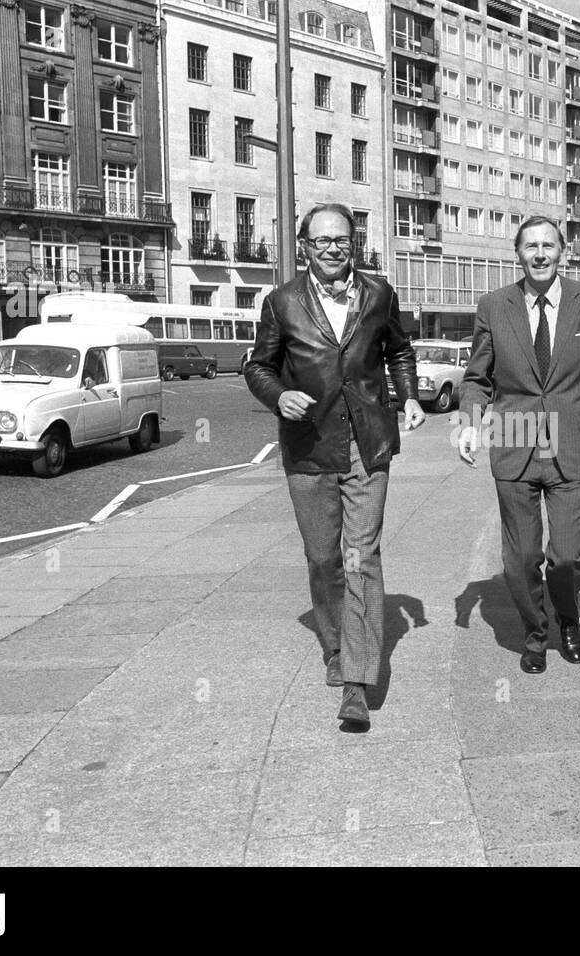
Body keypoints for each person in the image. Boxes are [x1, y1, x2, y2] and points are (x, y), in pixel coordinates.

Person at [244, 203, 425, 728]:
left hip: (368, 445)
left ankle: (357, 680)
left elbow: (400, 350)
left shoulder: (379, 294)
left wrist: (408, 396)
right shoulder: (281, 302)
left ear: (354, 244)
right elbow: (258, 365)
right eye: (321, 240)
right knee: (324, 559)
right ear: (304, 245)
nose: (332, 248)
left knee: (359, 556)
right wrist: (279, 397)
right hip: (309, 449)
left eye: (341, 240)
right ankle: (333, 644)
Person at [457, 216, 580, 674]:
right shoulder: (494, 305)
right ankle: (534, 633)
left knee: (566, 555)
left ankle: (568, 616)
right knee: (520, 558)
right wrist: (471, 422)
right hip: (515, 443)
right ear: (518, 253)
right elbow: (477, 377)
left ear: (562, 251)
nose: (540, 254)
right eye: (530, 246)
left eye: (548, 245)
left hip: (572, 443)